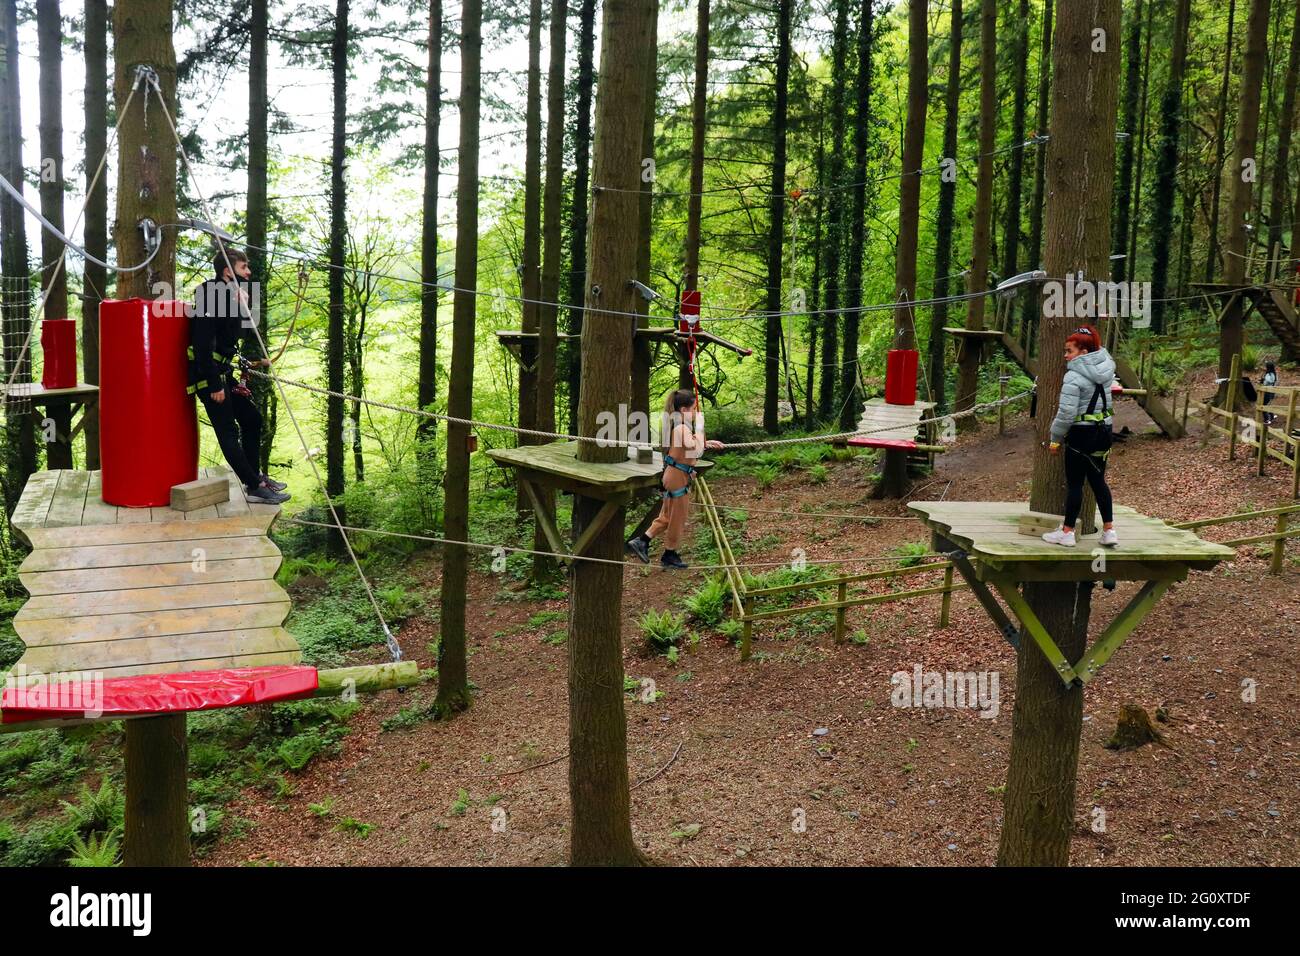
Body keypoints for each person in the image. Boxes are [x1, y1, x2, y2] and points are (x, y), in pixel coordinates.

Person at [188, 247, 289, 504]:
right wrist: (213, 384)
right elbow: (201, 345)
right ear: (227, 271)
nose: (249, 272)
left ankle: (254, 477)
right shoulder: (210, 296)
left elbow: (241, 333)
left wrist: (243, 306)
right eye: (244, 267)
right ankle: (254, 484)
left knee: (252, 419)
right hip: (207, 373)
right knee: (228, 430)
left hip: (222, 371)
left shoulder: (228, 297)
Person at [625, 389, 724, 569]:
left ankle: (642, 541)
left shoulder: (681, 427)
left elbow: (691, 448)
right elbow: (696, 450)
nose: (696, 412)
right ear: (684, 410)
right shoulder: (681, 428)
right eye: (694, 409)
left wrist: (707, 442)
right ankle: (669, 554)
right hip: (676, 477)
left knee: (667, 516)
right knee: (677, 517)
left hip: (677, 475)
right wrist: (701, 428)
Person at [1042, 325, 1119, 548]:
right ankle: (1109, 530)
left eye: (1069, 351)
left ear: (1083, 352)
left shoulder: (1074, 376)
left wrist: (1055, 438)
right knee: (1098, 481)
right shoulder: (1107, 370)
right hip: (1104, 431)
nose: (1065, 356)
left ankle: (1067, 533)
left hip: (1081, 434)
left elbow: (1066, 413)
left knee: (1075, 484)